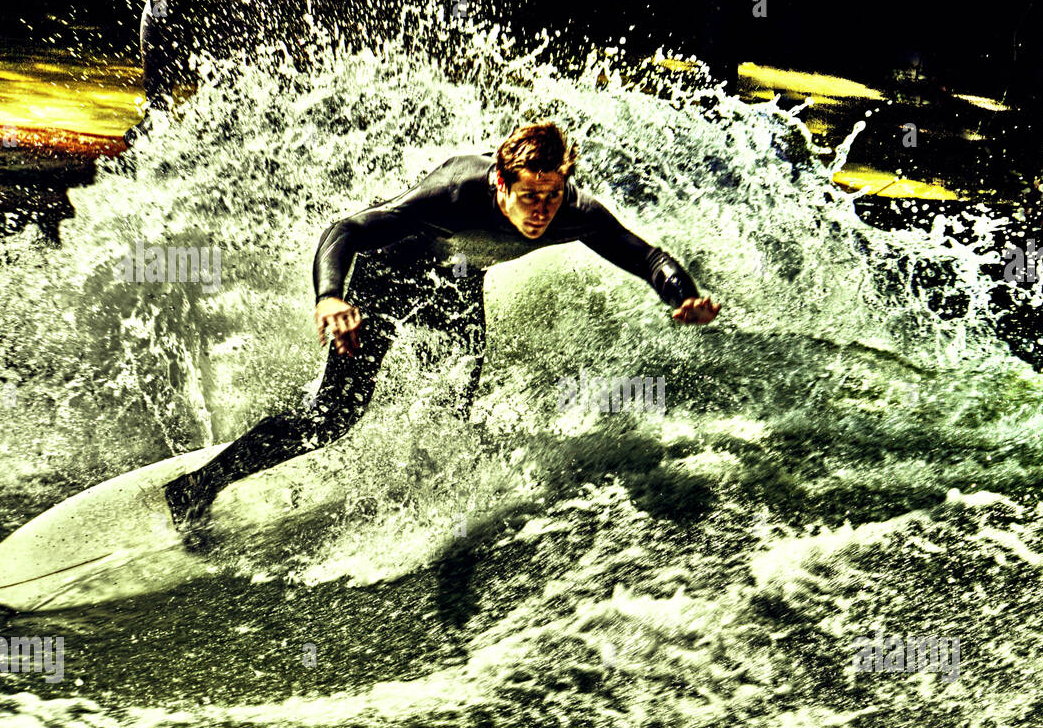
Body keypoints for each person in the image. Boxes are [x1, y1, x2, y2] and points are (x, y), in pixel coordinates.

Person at [163, 120, 721, 537]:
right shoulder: (454, 193)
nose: (542, 211)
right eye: (529, 196)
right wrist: (331, 297)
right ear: (501, 182)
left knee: (454, 413)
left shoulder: (573, 210)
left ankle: (425, 512)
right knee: (335, 417)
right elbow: (347, 229)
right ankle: (196, 488)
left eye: (552, 196)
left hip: (455, 289)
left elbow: (649, 258)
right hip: (386, 283)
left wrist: (684, 295)